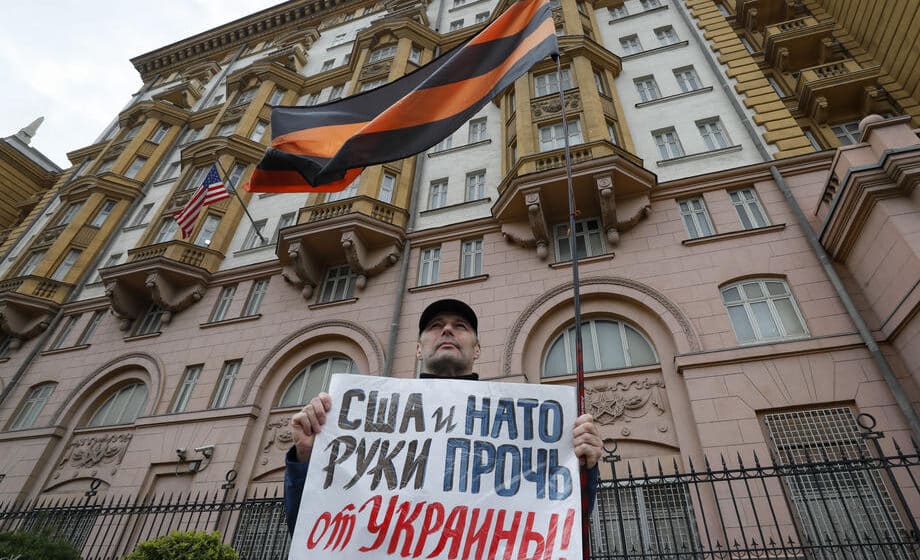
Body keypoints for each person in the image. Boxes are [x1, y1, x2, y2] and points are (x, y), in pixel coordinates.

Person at [284, 298, 604, 535]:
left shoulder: (522, 424)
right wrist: (306, 458)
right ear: (418, 349)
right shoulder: (371, 417)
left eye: (460, 326)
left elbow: (559, 525)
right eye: (435, 326)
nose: (447, 329)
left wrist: (582, 468)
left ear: (477, 350)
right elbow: (310, 527)